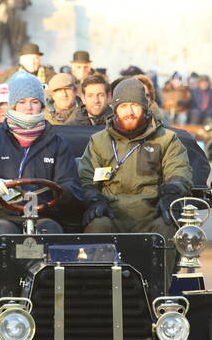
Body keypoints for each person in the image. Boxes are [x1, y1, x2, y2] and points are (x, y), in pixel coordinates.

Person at [0, 71, 85, 241]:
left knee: (50, 231)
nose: (28, 108)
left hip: (45, 215)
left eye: (34, 102)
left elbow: (72, 186)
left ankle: (50, 268)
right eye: (21, 102)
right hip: (2, 215)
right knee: (1, 235)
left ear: (42, 105)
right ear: (13, 105)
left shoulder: (57, 143)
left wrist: (60, 192)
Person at [78, 77, 192, 233]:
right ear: (115, 109)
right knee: (97, 226)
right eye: (123, 106)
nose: (129, 112)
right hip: (111, 214)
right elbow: (85, 178)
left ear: (145, 108)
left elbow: (179, 171)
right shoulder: (99, 141)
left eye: (135, 106)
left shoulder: (166, 139)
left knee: (167, 228)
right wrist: (94, 199)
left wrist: (172, 192)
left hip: (153, 214)